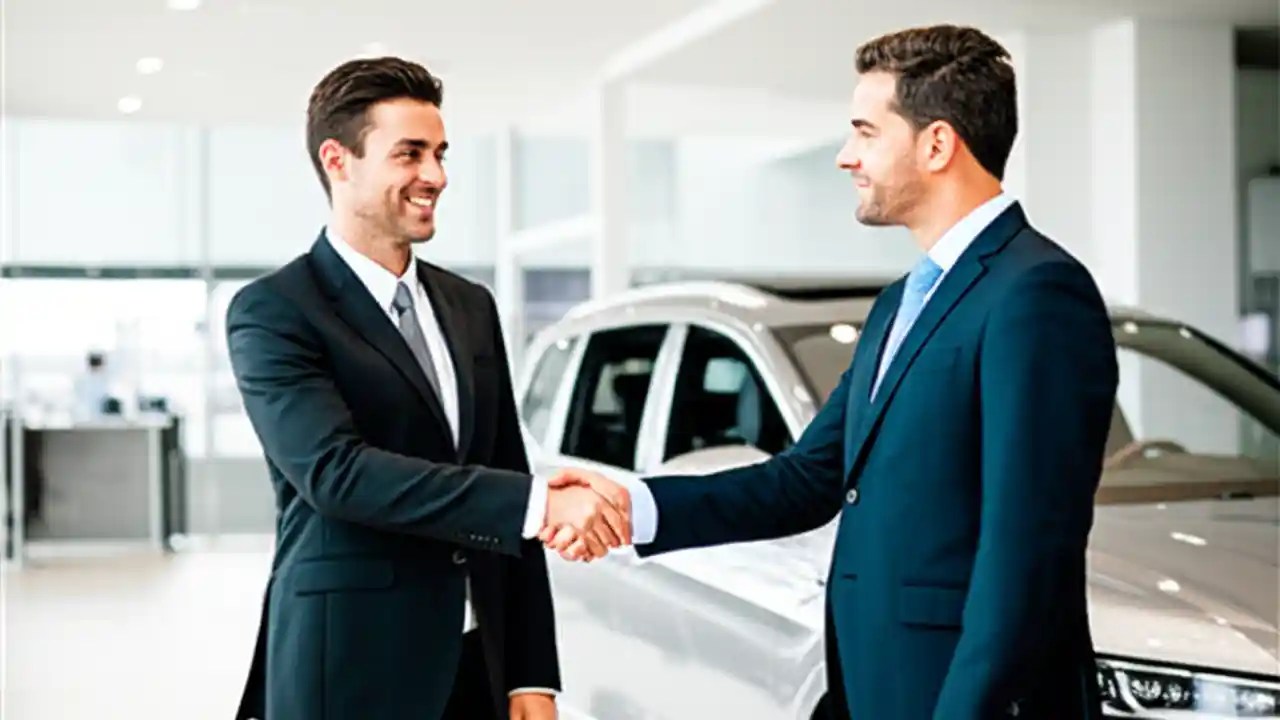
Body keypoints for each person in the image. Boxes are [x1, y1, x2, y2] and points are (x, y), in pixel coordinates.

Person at [546, 25, 1119, 720]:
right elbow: (806, 479)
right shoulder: (899, 304)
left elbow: (1027, 552)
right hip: (876, 685)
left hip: (959, 699)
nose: (847, 157)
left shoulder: (1036, 292)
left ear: (936, 144)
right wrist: (633, 505)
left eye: (865, 132)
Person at [226, 56, 629, 720]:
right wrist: (536, 505)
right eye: (409, 154)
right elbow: (335, 473)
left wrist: (531, 671)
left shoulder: (469, 305)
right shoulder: (274, 309)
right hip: (349, 665)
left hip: (475, 662)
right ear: (338, 160)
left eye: (440, 153)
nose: (436, 176)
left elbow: (505, 468)